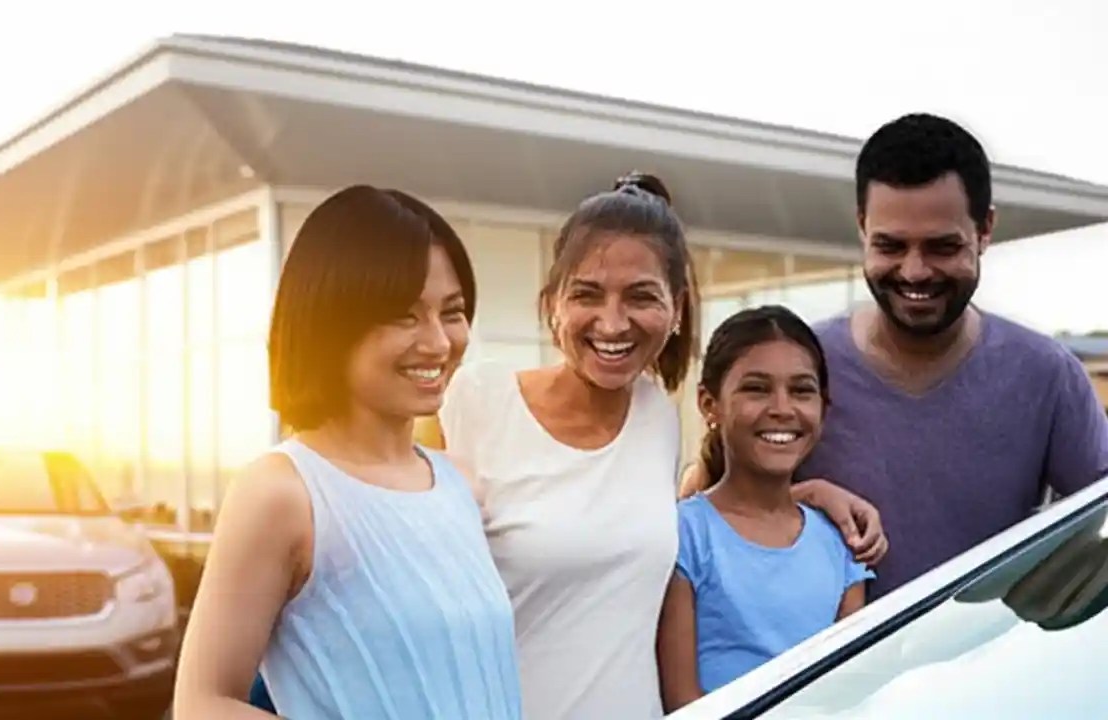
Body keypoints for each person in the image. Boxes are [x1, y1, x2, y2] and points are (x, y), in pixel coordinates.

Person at [430, 172, 886, 720]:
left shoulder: (656, 417)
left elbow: (704, 515)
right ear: (552, 302)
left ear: (675, 311)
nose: (612, 322)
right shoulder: (471, 401)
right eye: (587, 294)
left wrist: (814, 494)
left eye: (641, 296)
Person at [173, 185, 523, 720]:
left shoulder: (460, 483)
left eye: (451, 312)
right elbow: (203, 703)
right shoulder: (283, 492)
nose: (438, 342)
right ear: (331, 325)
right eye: (404, 316)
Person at [793, 112, 1108, 600]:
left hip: (987, 673)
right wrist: (806, 496)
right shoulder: (798, 370)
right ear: (861, 228)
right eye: (890, 246)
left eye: (942, 247)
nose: (915, 272)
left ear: (985, 230)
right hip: (824, 676)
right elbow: (719, 520)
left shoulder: (1045, 375)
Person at [657, 305, 874, 709]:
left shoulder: (841, 544)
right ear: (709, 405)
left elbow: (849, 693)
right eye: (756, 388)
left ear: (823, 408)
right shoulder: (683, 535)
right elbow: (684, 702)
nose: (782, 408)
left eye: (802, 390)